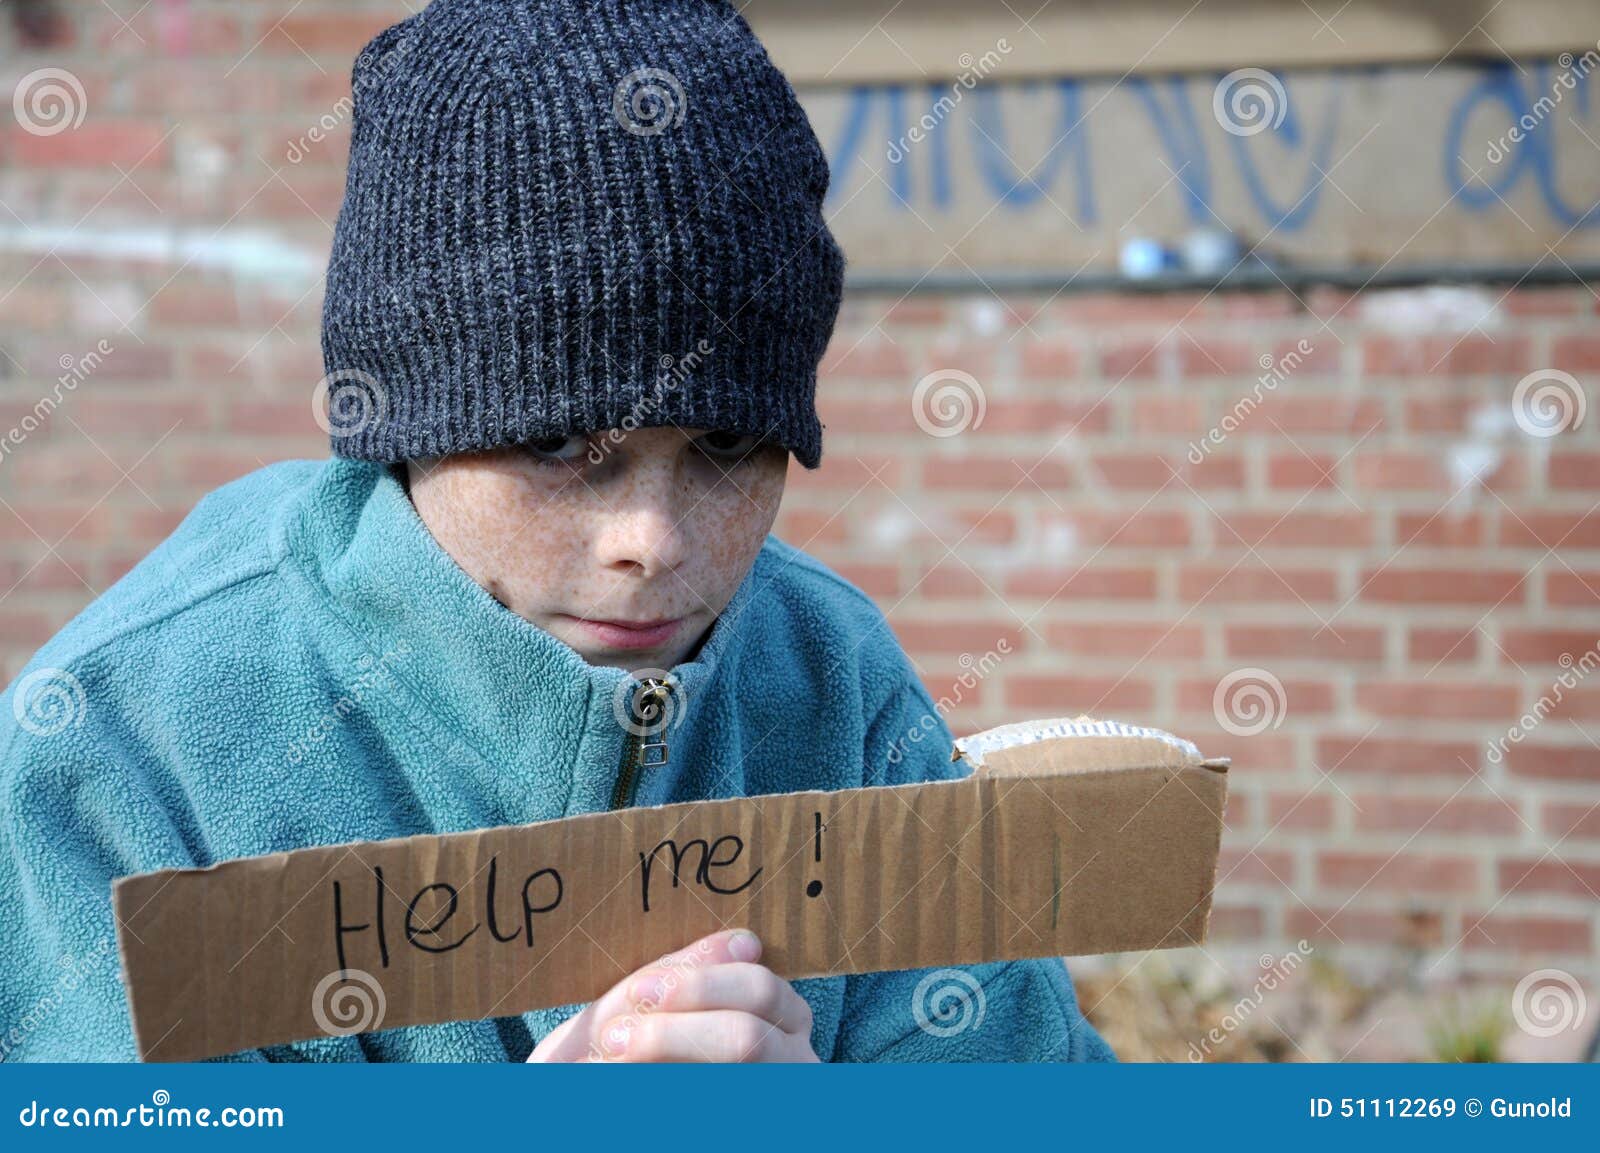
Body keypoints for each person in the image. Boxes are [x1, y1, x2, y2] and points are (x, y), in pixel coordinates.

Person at [0, 0, 1114, 1063]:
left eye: (728, 444)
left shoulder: (833, 685)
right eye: (560, 445)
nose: (652, 540)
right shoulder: (120, 748)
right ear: (407, 429)